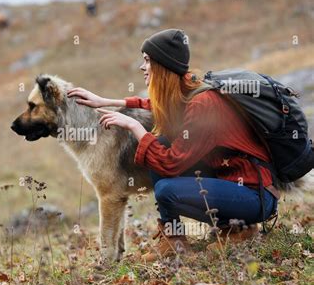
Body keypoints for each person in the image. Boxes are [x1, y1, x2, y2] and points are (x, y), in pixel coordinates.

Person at [67, 29, 279, 255]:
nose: (142, 66)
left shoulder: (203, 104)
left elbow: (171, 164)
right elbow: (158, 105)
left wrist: (135, 126)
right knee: (163, 142)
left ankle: (239, 229)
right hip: (232, 185)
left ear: (163, 65)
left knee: (167, 189)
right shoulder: (189, 89)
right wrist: (107, 101)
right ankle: (174, 239)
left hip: (253, 195)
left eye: (147, 60)